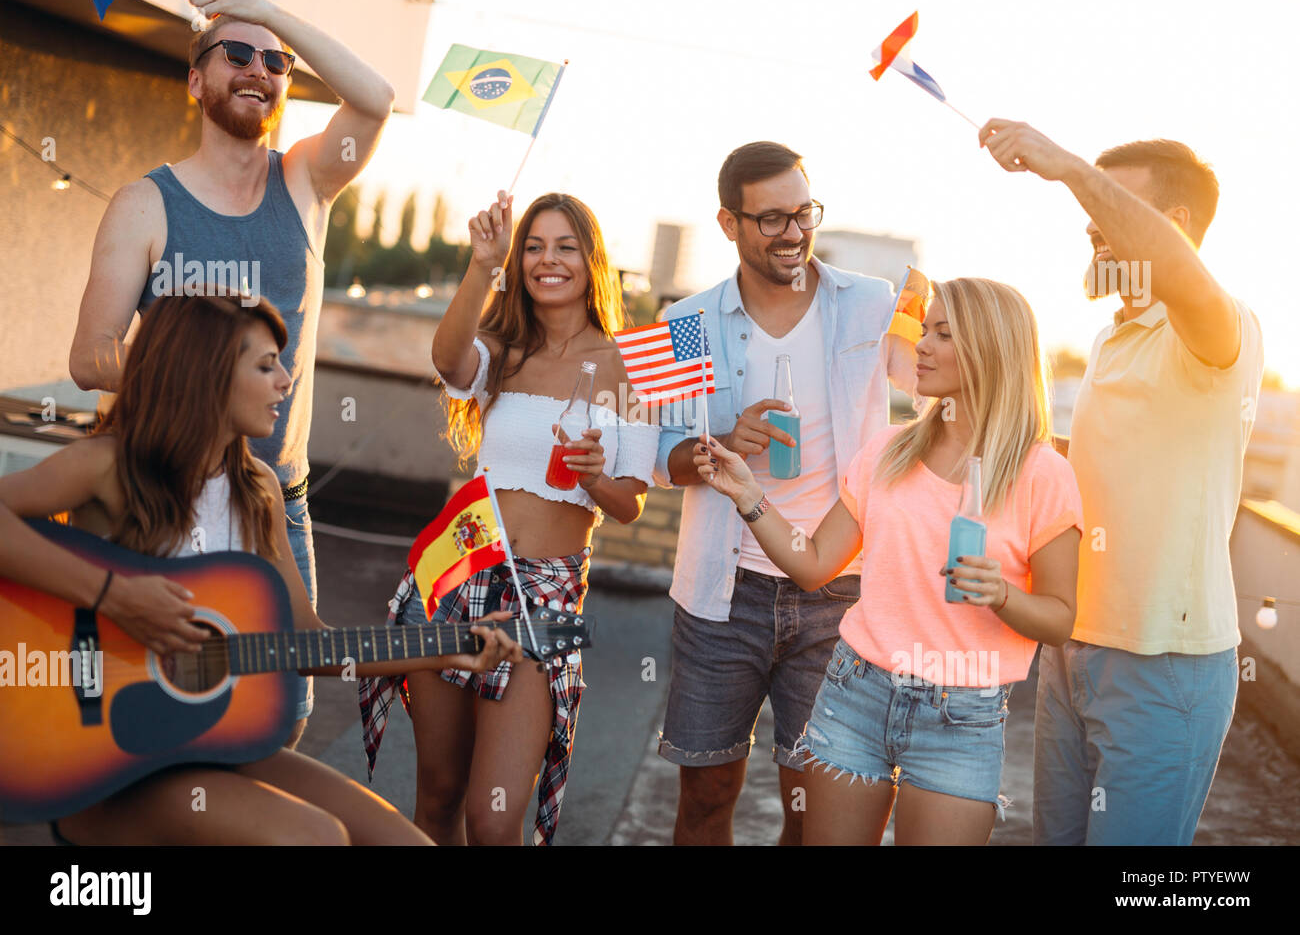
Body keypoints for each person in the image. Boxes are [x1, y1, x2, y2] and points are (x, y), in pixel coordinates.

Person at [0, 292, 522, 844]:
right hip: (104, 763)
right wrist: (116, 597)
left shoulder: (259, 491)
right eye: (265, 364)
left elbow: (306, 641)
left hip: (211, 749)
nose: (285, 381)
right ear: (205, 372)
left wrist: (450, 648)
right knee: (313, 838)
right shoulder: (109, 464)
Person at [67, 0, 397, 744]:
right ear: (195, 78)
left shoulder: (306, 181)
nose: (257, 68)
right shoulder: (145, 204)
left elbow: (375, 98)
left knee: (276, 725)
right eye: (236, 53)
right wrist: (205, 381)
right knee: (144, 722)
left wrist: (270, 12)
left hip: (276, 505)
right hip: (161, 502)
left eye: (274, 61)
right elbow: (90, 357)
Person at [695, 277, 1083, 845]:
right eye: (924, 330)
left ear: (991, 349)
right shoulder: (888, 450)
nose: (921, 345)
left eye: (943, 334)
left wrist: (1002, 594)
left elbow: (1060, 618)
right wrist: (749, 496)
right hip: (856, 693)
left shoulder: (1043, 474)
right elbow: (814, 564)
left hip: (963, 717)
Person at [977, 122, 1266, 845]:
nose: (1093, 230)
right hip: (1073, 650)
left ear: (1173, 227)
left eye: (1110, 212)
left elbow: (1176, 272)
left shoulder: (1219, 329)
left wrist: (1069, 166)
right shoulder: (1110, 338)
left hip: (1164, 669)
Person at [358, 191, 660, 846]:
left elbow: (629, 503)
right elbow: (447, 361)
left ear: (592, 260)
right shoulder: (503, 347)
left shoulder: (629, 367)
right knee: (437, 798)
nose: (547, 260)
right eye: (533, 246)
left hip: (542, 593)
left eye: (564, 246)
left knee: (493, 821)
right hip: (461, 572)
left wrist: (594, 477)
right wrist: (481, 265)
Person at [653, 142, 904, 845]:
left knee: (813, 808)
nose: (793, 233)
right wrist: (723, 438)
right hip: (722, 593)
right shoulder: (686, 323)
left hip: (837, 589)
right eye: (771, 219)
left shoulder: (871, 304)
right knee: (705, 796)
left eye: (803, 213)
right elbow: (656, 458)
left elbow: (947, 382)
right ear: (728, 223)